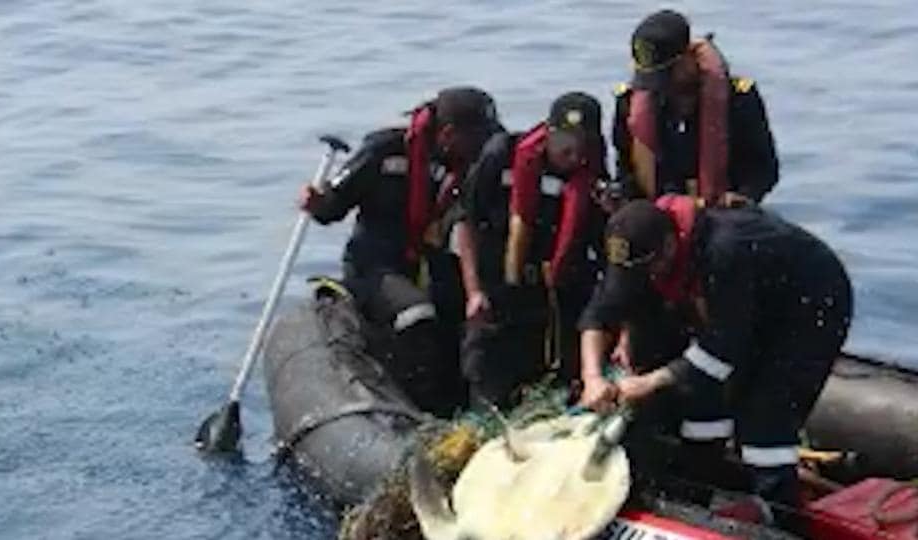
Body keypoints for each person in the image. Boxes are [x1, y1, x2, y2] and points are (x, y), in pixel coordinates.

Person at [577, 196, 853, 517]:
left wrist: (648, 383)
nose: (643, 279)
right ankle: (700, 481)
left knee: (765, 409)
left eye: (648, 270)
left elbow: (721, 351)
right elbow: (598, 316)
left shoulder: (724, 251)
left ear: (669, 245)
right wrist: (592, 377)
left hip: (806, 305)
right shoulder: (632, 255)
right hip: (746, 306)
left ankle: (779, 513)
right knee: (699, 394)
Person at [299, 87, 502, 416]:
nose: (482, 146)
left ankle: (462, 397)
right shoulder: (384, 151)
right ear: (448, 134)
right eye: (476, 137)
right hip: (376, 266)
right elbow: (333, 207)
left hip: (432, 265)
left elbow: (466, 223)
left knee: (463, 320)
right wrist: (318, 201)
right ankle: (416, 408)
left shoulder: (465, 171)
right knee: (418, 315)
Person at [454, 92, 609, 407]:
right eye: (564, 140)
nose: (571, 151)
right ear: (548, 133)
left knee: (560, 377)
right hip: (500, 288)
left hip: (557, 296)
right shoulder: (501, 156)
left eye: (581, 143)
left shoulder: (594, 181)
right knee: (486, 369)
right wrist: (474, 292)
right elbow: (466, 222)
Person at [612, 10, 779, 208]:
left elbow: (763, 168)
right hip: (658, 213)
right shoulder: (629, 102)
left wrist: (744, 196)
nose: (660, 87)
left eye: (667, 75)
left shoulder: (739, 99)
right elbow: (625, 168)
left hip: (724, 212)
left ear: (689, 57)